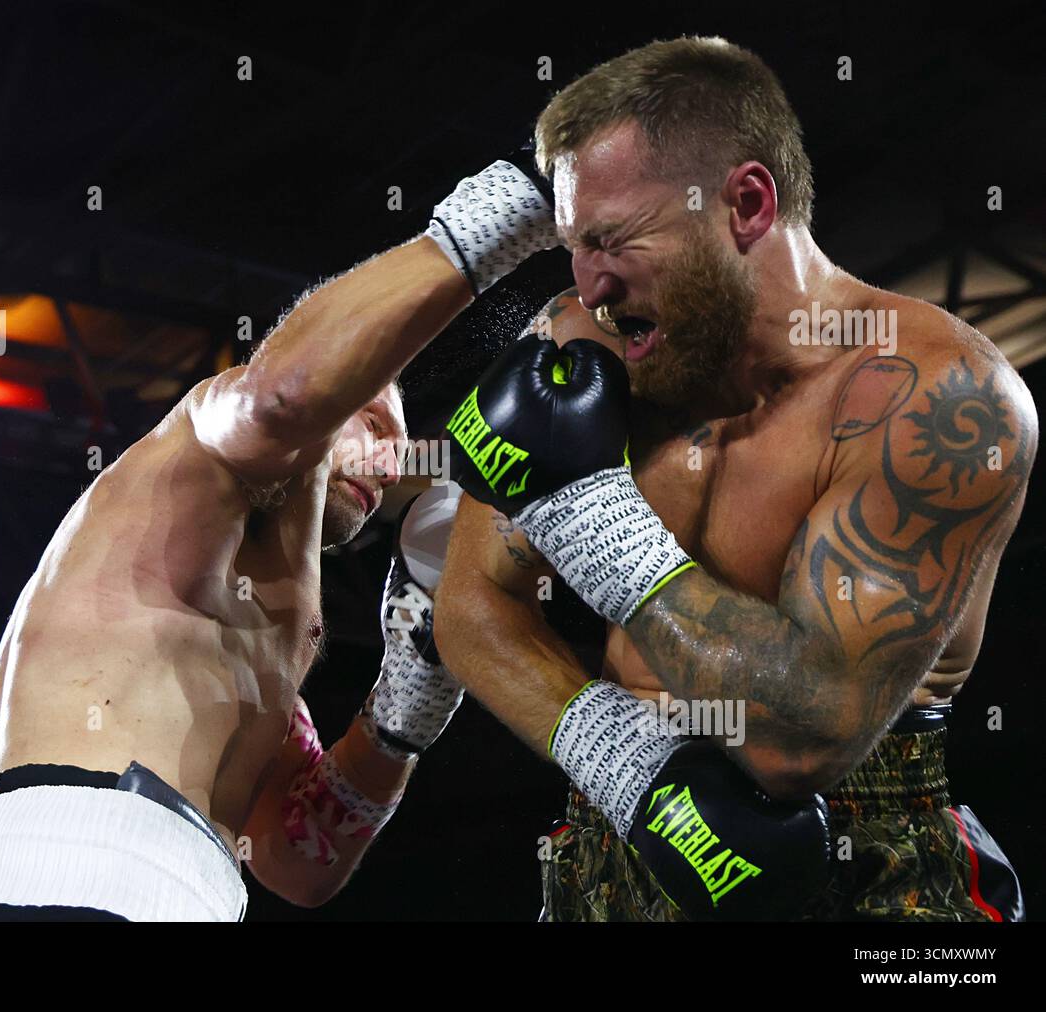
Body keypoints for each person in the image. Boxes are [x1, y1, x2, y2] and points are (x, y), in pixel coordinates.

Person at [434, 36, 1035, 921]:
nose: (587, 285)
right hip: (617, 836)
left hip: (860, 855)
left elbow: (806, 735)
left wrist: (599, 522)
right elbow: (471, 604)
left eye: (612, 240)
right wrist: (633, 772)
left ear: (747, 203)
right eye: (572, 246)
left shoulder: (939, 396)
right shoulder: (582, 349)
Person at [0, 150, 560, 921]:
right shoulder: (198, 443)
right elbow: (284, 396)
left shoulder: (254, 646)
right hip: (61, 869)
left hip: (173, 887)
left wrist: (415, 678)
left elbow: (299, 861)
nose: (391, 461)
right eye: (374, 420)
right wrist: (504, 219)